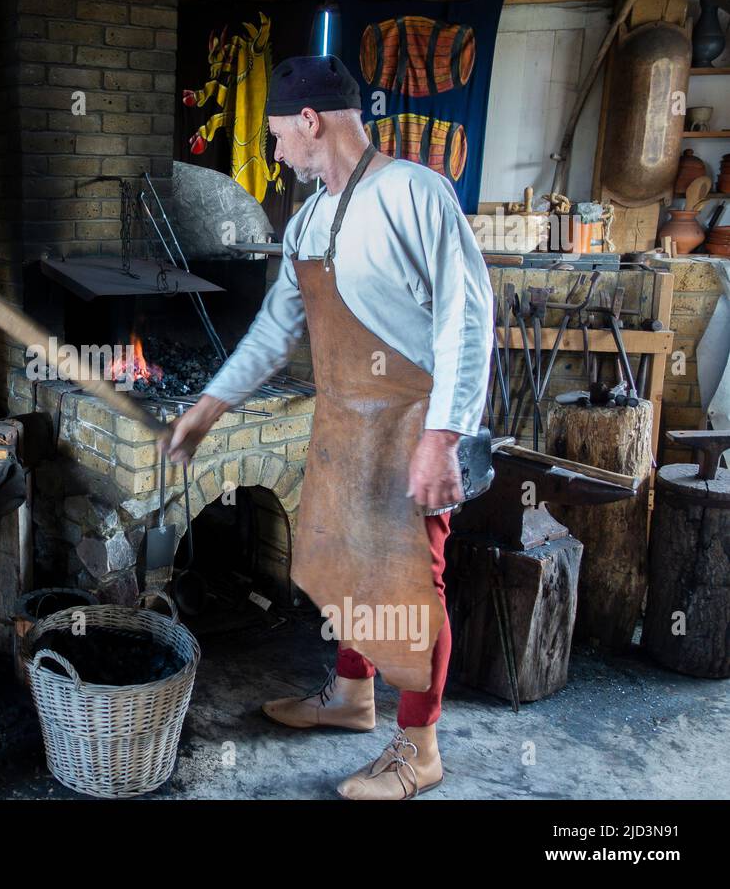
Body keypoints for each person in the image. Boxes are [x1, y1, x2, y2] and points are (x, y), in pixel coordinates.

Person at [159, 55, 493, 799]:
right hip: (346, 420)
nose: (277, 153)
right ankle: (351, 697)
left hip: (415, 422)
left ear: (311, 122)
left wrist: (445, 436)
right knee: (344, 560)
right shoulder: (309, 220)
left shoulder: (416, 194)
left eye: (279, 136)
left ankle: (420, 747)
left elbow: (466, 319)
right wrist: (208, 407)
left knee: (409, 585)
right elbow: (275, 331)